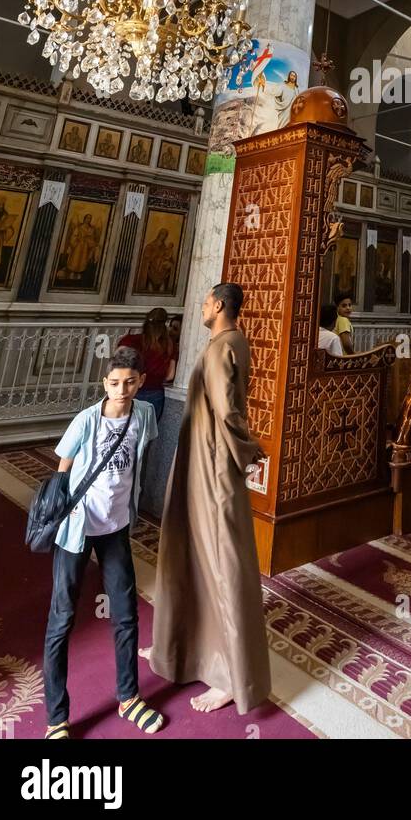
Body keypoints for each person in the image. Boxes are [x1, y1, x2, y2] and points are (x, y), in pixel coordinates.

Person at [141, 282, 271, 714]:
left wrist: (248, 451)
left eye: (204, 301)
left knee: (221, 561)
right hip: (202, 460)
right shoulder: (229, 341)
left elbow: (228, 409)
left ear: (217, 305)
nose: (201, 306)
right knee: (192, 553)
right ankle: (178, 646)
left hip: (213, 466)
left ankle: (233, 675)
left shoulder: (221, 348)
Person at [43, 347, 163, 739]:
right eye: (114, 383)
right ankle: (57, 717)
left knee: (126, 614)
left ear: (141, 381)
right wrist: (66, 507)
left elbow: (137, 460)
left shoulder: (144, 415)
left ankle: (128, 696)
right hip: (77, 529)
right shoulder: (86, 420)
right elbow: (63, 468)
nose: (122, 390)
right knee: (62, 620)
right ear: (104, 383)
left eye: (130, 382)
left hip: (115, 528)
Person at [117, 308, 176, 423]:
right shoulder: (169, 346)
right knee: (146, 435)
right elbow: (170, 376)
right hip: (155, 394)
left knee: (124, 433)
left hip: (130, 391)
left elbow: (116, 365)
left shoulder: (130, 341)